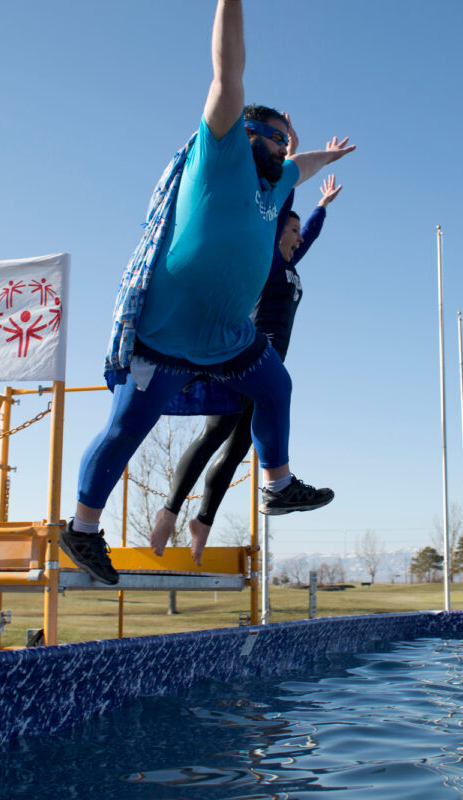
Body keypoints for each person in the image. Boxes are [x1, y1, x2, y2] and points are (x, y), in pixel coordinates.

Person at [62, 0, 355, 585]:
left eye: (283, 139)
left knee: (276, 387)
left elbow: (304, 161)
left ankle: (277, 485)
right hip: (165, 329)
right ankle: (83, 531)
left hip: (227, 335)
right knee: (126, 429)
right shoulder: (221, 155)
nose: (281, 146)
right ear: (245, 133)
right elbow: (228, 71)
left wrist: (324, 156)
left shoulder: (278, 183)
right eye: (272, 137)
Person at [150, 173, 343, 564]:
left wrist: (322, 207)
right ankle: (169, 511)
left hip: (267, 370)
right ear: (277, 233)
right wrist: (291, 171)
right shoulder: (268, 260)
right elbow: (280, 214)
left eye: (298, 232)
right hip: (246, 360)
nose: (298, 235)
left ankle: (202, 524)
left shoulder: (291, 264)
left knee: (238, 449)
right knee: (216, 434)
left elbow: (310, 233)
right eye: (292, 229)